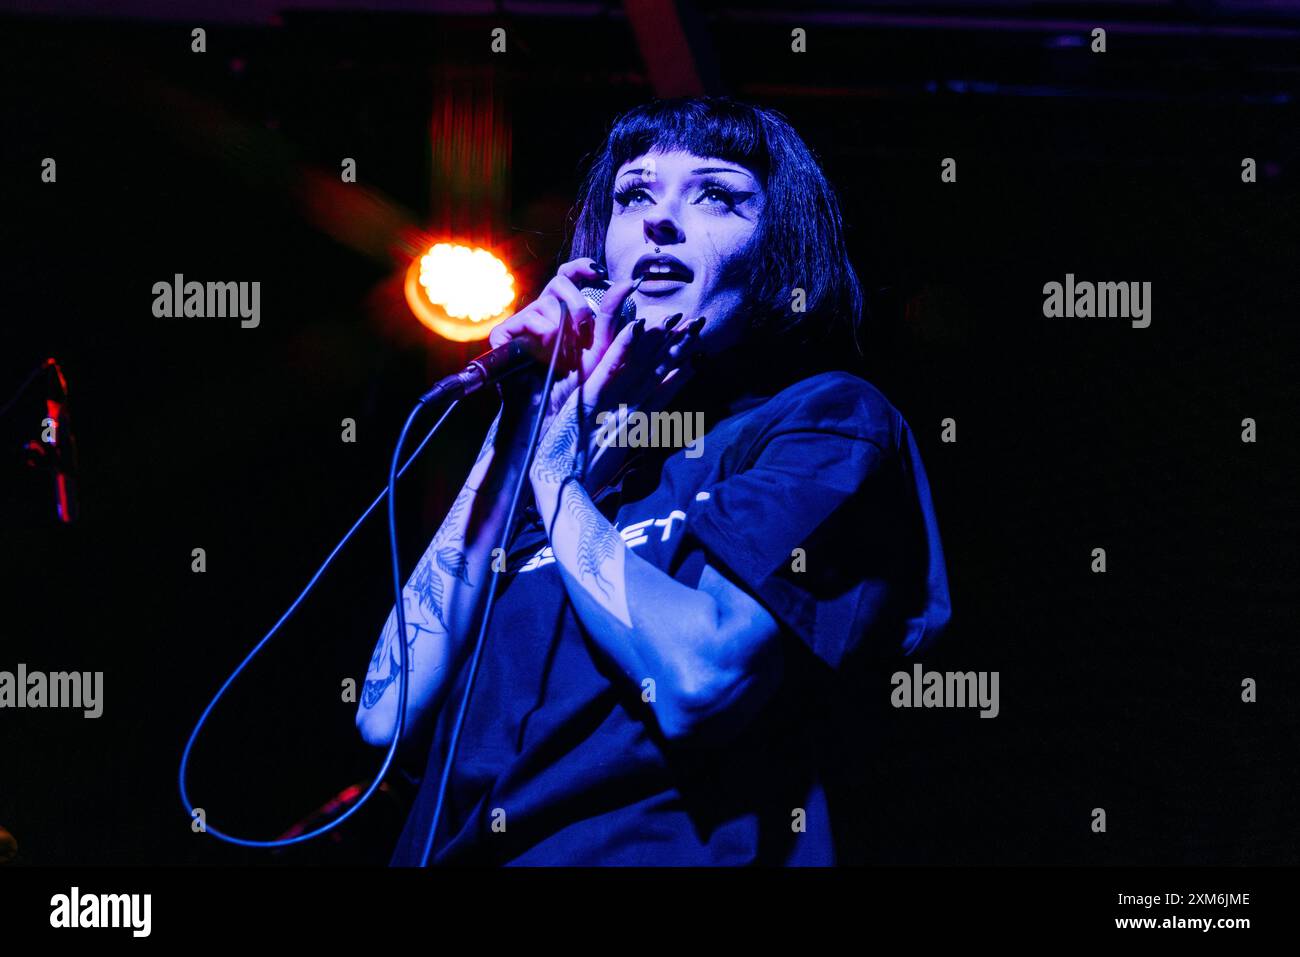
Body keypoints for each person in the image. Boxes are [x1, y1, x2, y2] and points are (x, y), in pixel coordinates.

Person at [357, 96, 952, 866]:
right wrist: (528, 417)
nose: (660, 220)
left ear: (778, 245)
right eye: (635, 194)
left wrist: (556, 479)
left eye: (715, 195)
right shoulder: (557, 456)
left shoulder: (821, 421)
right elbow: (386, 709)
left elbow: (700, 678)